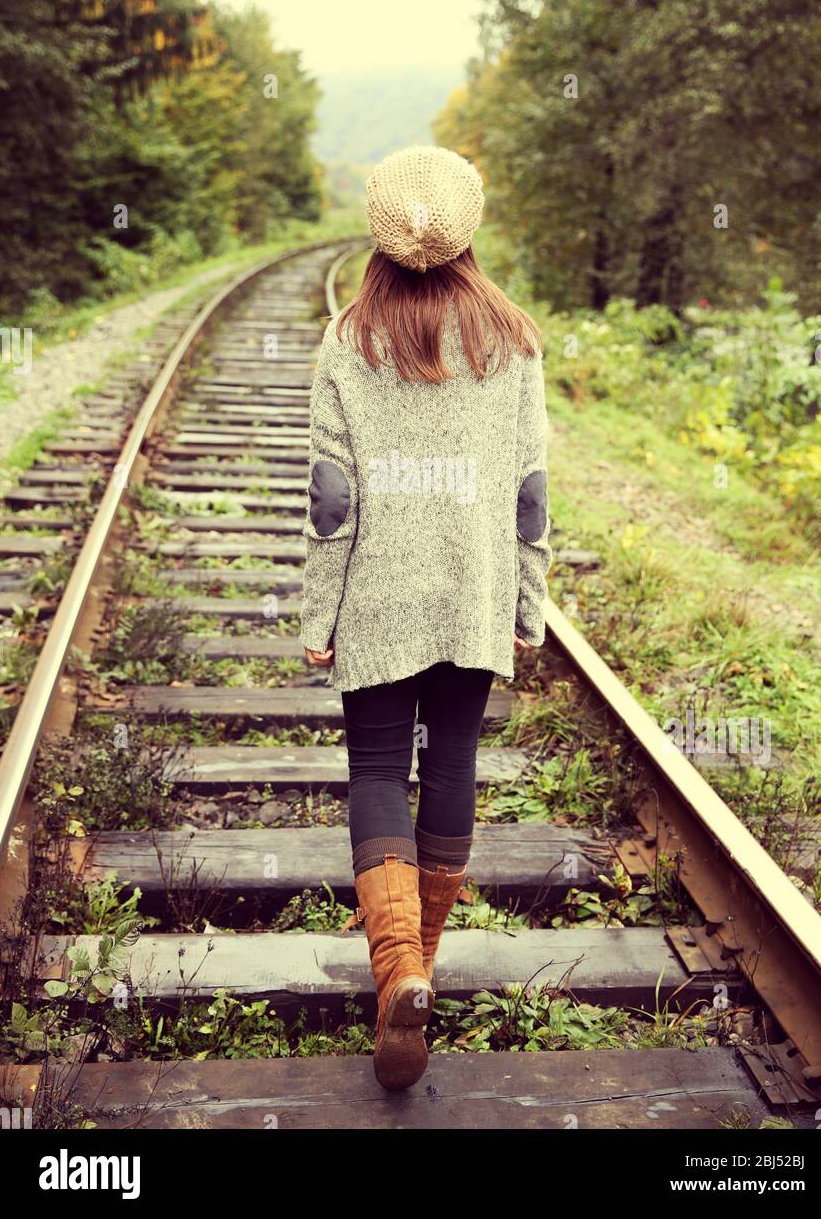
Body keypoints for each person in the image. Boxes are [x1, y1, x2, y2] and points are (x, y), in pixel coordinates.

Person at [300, 144, 552, 1089]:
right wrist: (527, 604)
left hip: (379, 594)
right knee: (452, 760)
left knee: (374, 768)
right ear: (467, 232)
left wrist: (319, 611)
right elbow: (530, 498)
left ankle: (396, 969)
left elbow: (333, 503)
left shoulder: (346, 341)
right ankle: (423, 967)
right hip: (472, 591)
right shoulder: (513, 342)